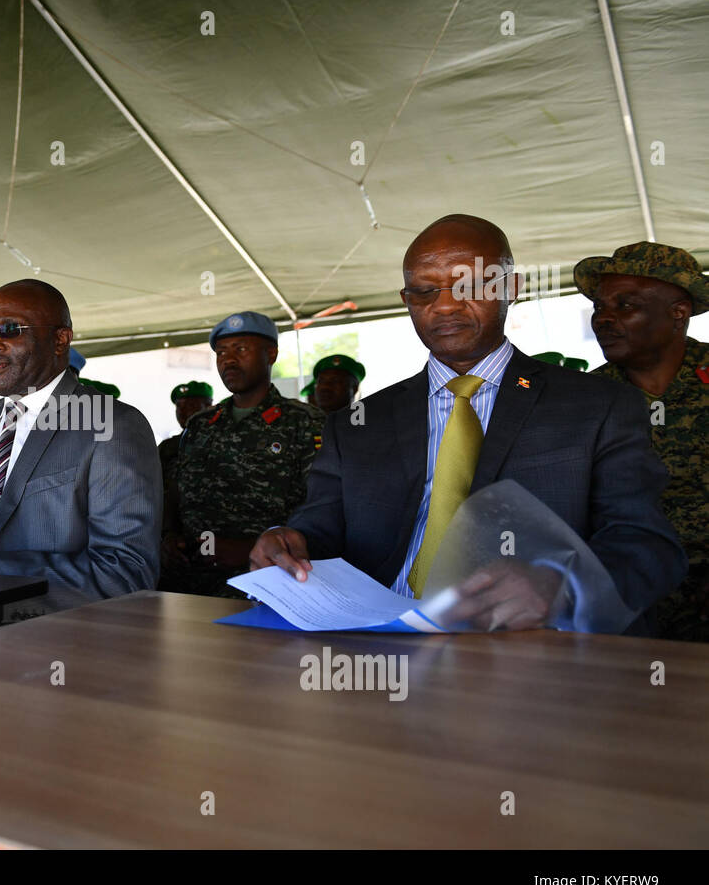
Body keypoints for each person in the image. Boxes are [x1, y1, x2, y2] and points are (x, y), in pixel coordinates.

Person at [250, 215, 686, 632]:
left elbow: (647, 544)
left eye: (468, 284)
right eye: (423, 292)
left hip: (527, 647)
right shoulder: (358, 424)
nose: (444, 306)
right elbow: (316, 532)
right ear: (406, 302)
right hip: (375, 641)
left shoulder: (598, 404)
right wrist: (283, 543)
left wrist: (562, 587)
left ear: (509, 288)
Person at [0, 278, 160, 615]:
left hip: (27, 637)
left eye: (9, 329)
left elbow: (125, 573)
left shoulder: (109, 425)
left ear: (60, 339)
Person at [575, 241, 709, 640]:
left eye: (625, 305)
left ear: (677, 314)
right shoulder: (584, 401)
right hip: (626, 608)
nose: (603, 319)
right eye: (600, 306)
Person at [163, 313, 324, 596]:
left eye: (241, 349)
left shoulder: (305, 422)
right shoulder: (201, 424)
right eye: (221, 352)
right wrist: (168, 535)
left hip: (266, 582)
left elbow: (324, 508)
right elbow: (175, 492)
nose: (228, 360)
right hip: (189, 584)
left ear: (271, 354)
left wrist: (254, 547)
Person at [158, 381, 213, 549]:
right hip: (173, 535)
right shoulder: (168, 447)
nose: (182, 411)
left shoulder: (221, 441)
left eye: (190, 405)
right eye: (178, 406)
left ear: (208, 406)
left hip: (212, 534)